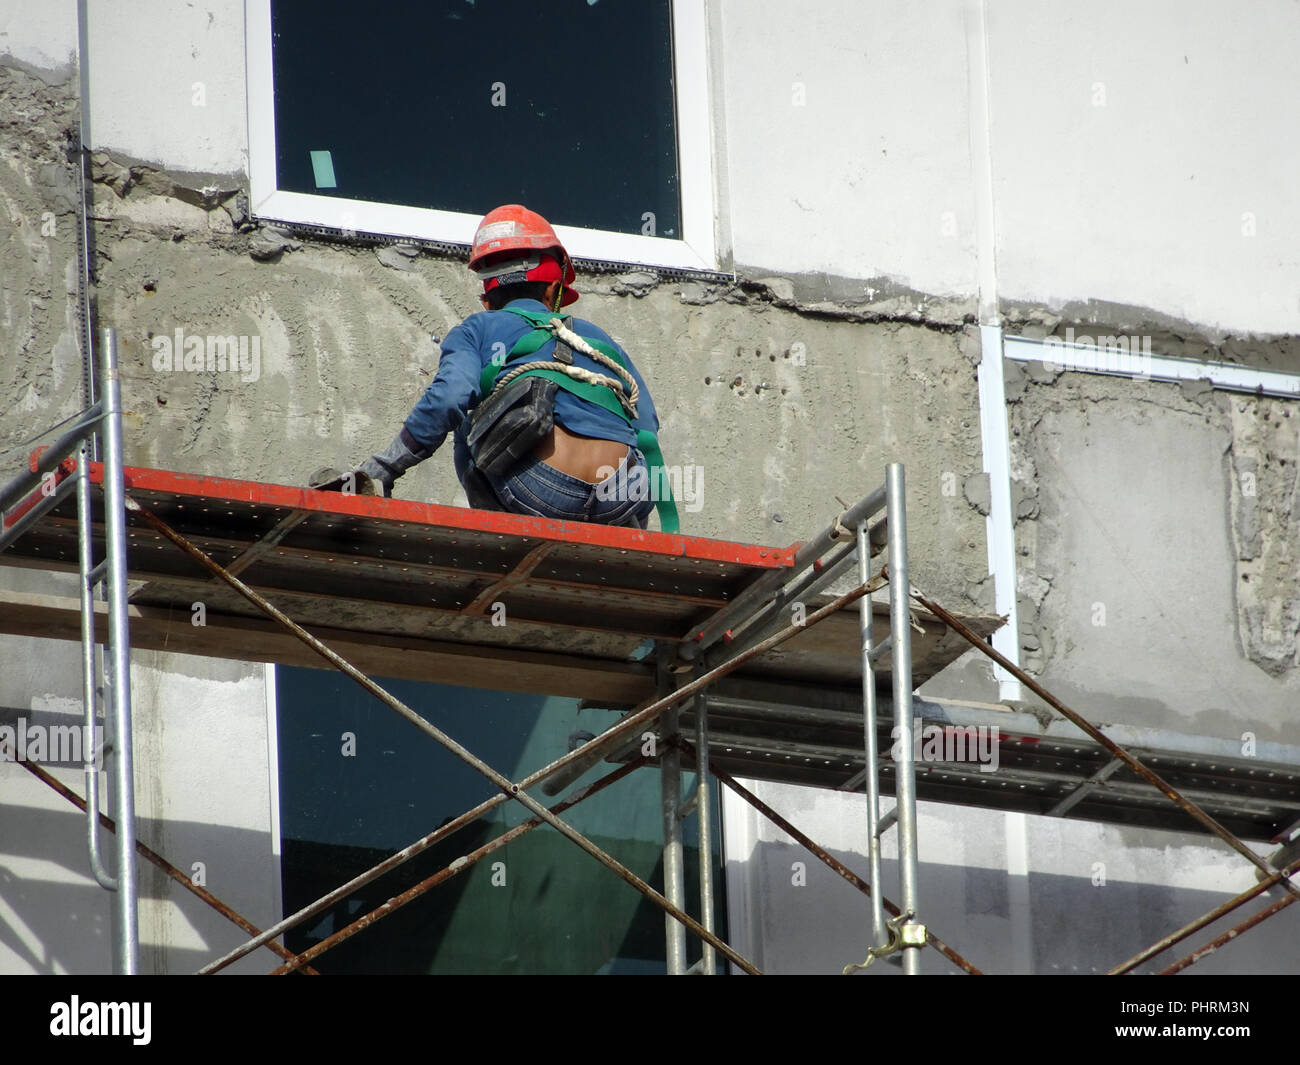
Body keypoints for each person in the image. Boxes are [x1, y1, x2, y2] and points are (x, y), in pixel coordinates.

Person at [355, 204, 674, 531]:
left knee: (468, 412)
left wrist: (383, 469)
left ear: (487, 300)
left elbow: (449, 397)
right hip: (623, 495)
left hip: (543, 491)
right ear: (552, 290)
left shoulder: (478, 328)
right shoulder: (600, 339)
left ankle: (498, 529)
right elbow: (645, 429)